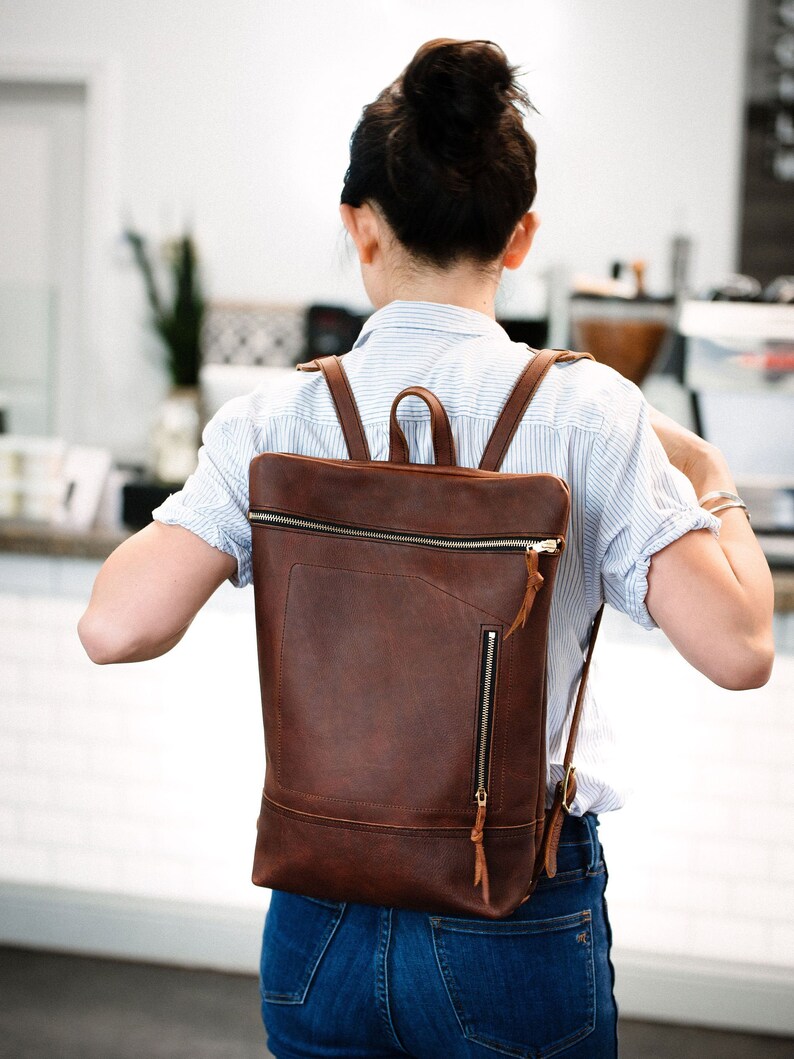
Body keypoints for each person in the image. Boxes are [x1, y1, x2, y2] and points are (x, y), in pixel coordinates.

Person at [78, 38, 775, 1059]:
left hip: (321, 911)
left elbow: (112, 626)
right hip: (515, 907)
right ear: (519, 236)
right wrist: (708, 477)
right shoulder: (591, 415)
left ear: (360, 229)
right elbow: (738, 648)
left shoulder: (272, 419)